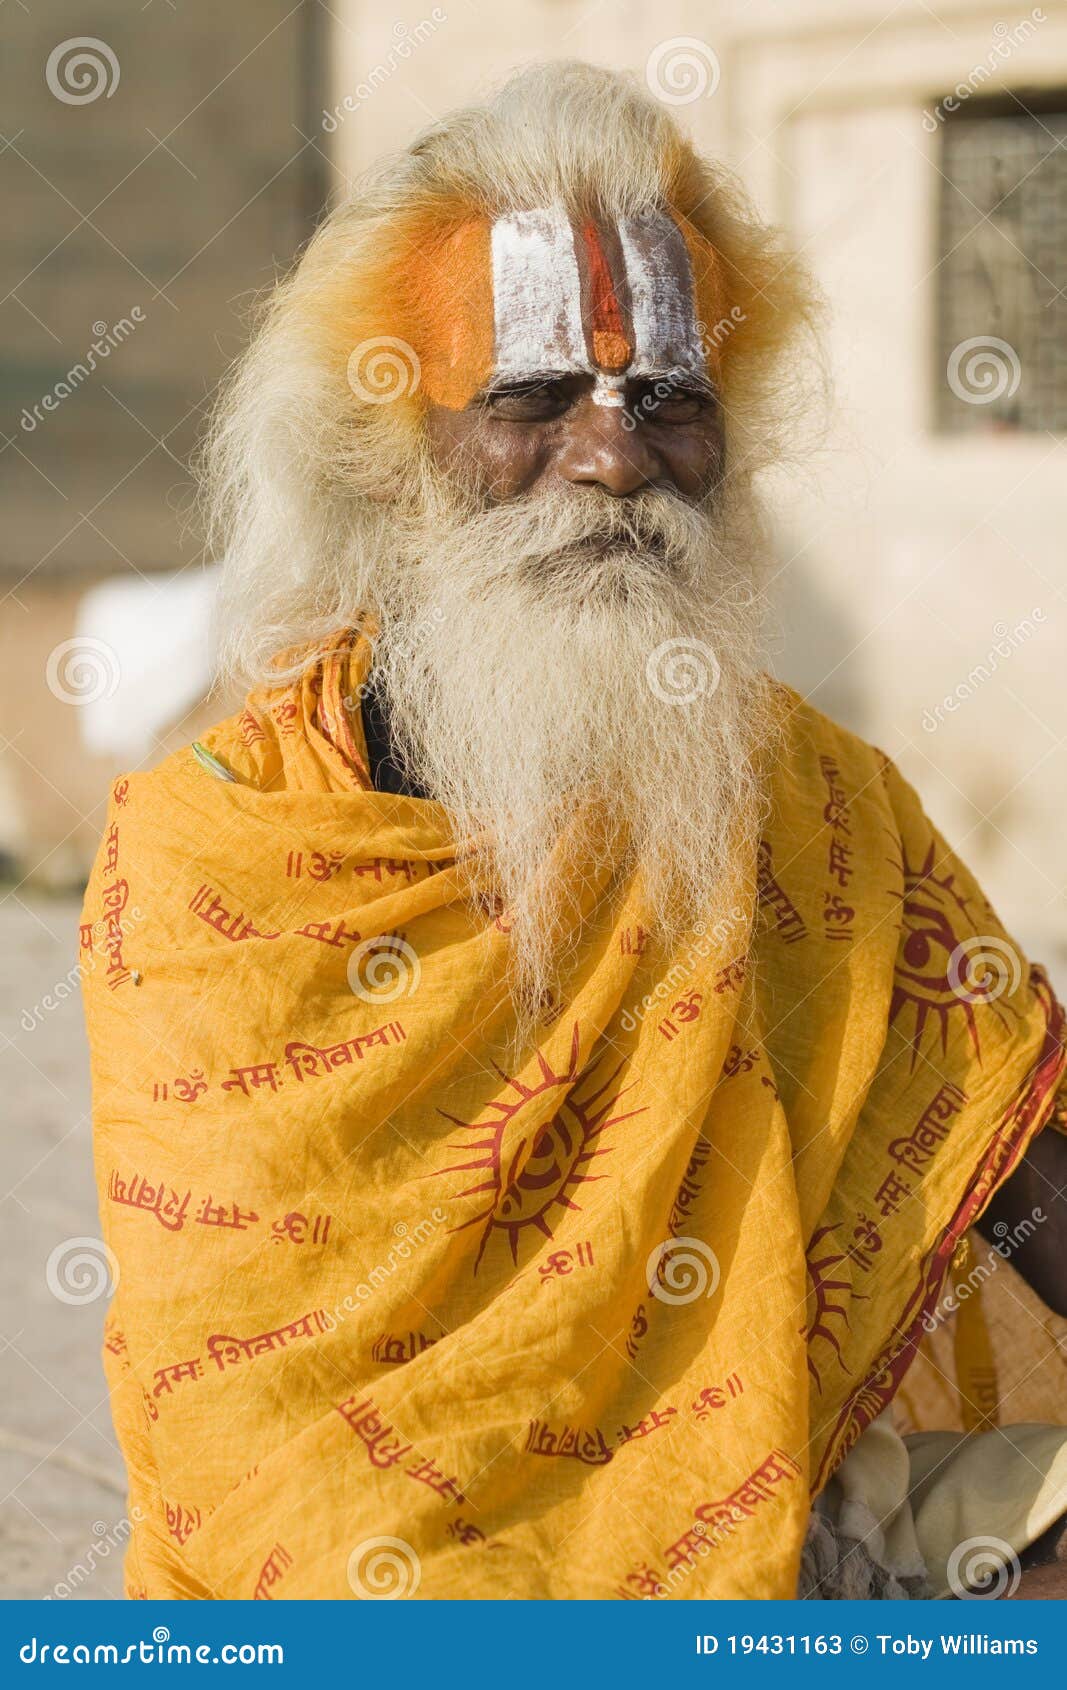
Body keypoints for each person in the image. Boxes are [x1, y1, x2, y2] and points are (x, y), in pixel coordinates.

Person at [82, 61, 1067, 1601]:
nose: (614, 462)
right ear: (388, 446)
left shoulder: (812, 802)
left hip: (767, 1518)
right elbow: (236, 1427)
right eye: (531, 399)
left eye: (669, 400)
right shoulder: (212, 860)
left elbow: (1018, 1160)